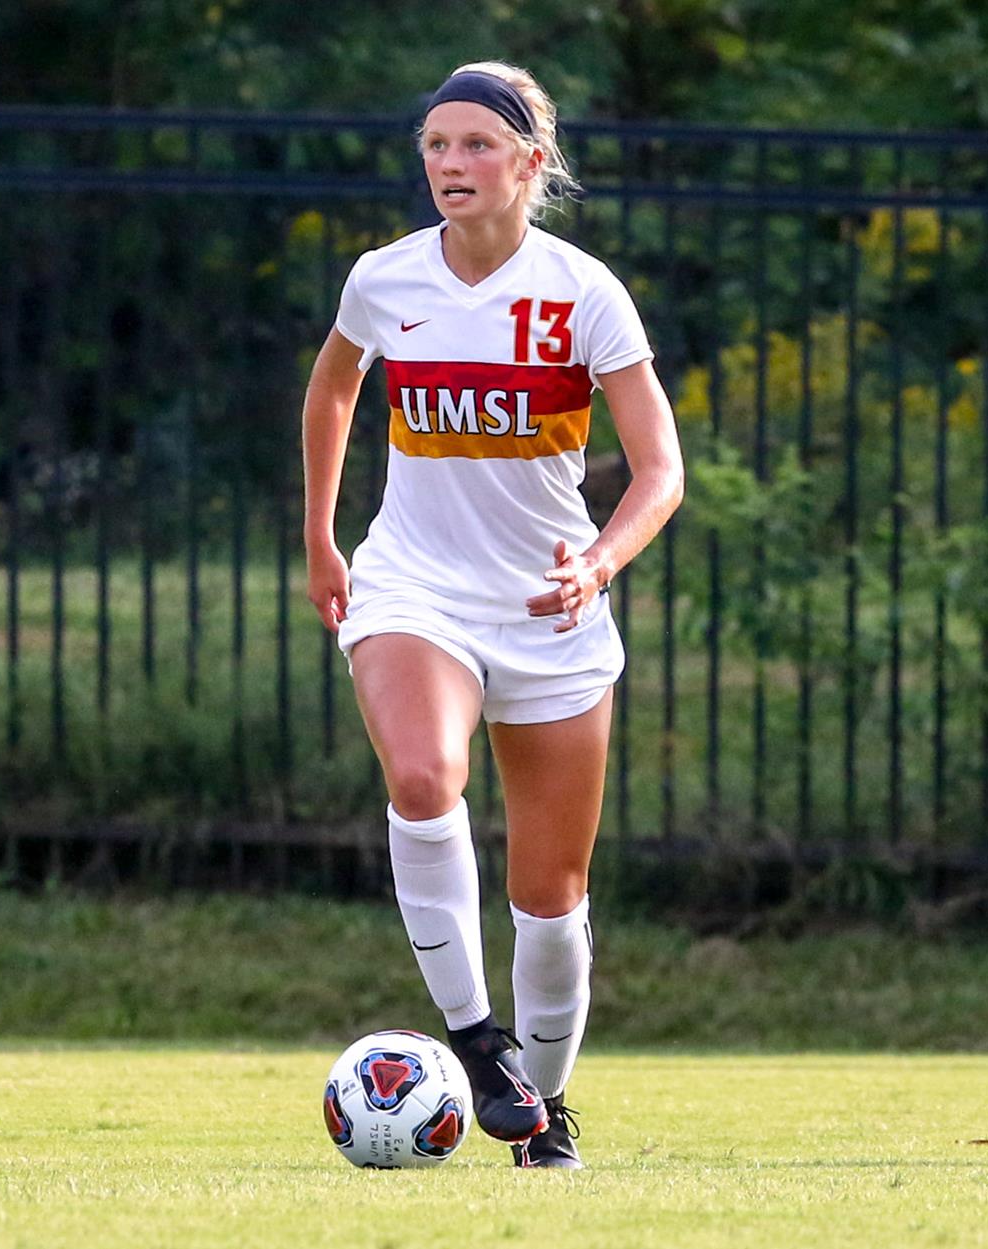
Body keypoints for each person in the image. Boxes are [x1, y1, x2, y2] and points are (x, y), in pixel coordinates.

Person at [299, 61, 684, 1169]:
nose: (450, 164)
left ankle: (545, 1109)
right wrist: (322, 534)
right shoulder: (385, 278)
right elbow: (334, 386)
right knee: (424, 778)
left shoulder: (584, 293)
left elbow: (660, 470)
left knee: (549, 900)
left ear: (530, 161)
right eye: (435, 145)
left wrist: (599, 563)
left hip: (549, 608)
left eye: (476, 144)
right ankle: (473, 1039)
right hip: (413, 586)